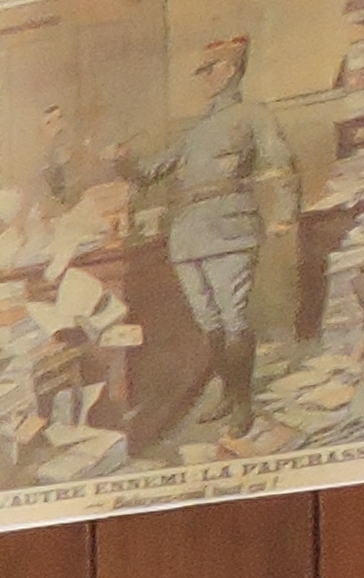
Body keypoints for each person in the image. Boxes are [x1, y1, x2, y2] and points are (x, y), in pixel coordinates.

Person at [127, 31, 296, 443]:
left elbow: (279, 164)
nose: (205, 78)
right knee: (209, 321)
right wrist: (124, 163)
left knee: (234, 318)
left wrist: (284, 214)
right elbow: (151, 170)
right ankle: (226, 392)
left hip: (230, 228)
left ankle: (242, 405)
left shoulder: (254, 115)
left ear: (232, 69)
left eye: (212, 69)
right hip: (187, 235)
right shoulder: (195, 129)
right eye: (203, 71)